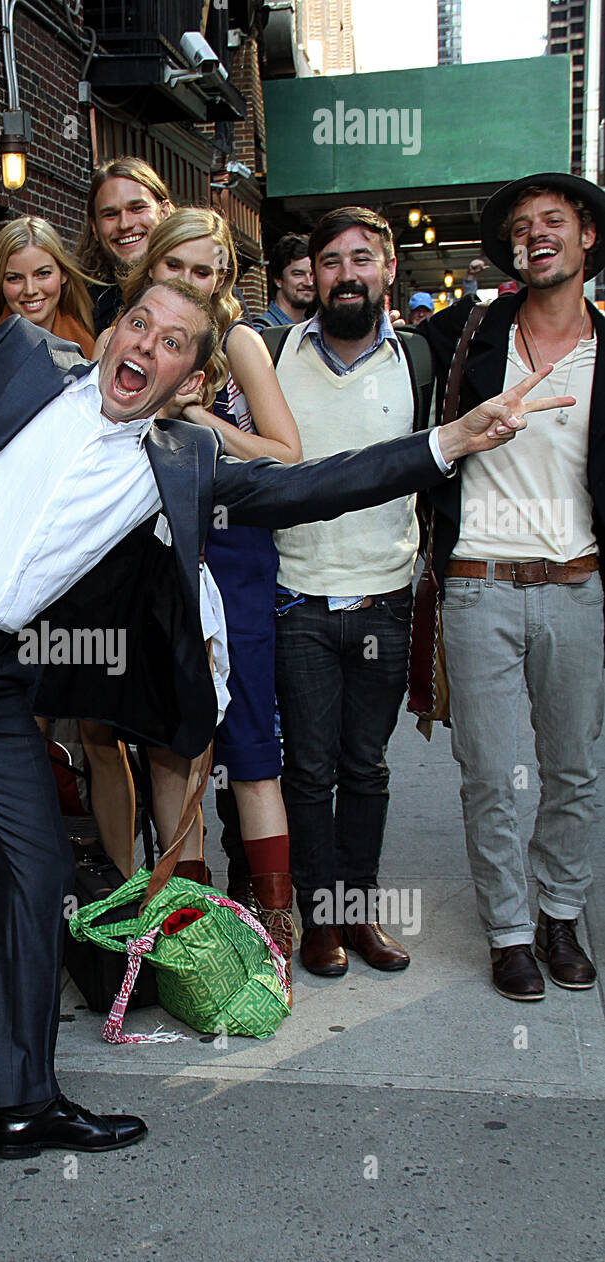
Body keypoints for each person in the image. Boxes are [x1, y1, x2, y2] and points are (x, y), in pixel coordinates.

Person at [0, 217, 570, 1192]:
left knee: (38, 865)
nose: (147, 347)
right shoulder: (19, 360)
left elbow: (316, 485)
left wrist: (450, 441)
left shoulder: (181, 460)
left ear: (188, 380)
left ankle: (22, 1100)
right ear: (114, 326)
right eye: (140, 323)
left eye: (174, 344)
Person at [91, 209, 302, 966]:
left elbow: (285, 454)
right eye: (173, 266)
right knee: (169, 745)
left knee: (247, 743)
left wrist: (201, 418)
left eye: (204, 270)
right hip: (151, 553)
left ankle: (276, 927)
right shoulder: (124, 336)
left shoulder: (237, 342)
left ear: (224, 281)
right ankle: (188, 935)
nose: (187, 280)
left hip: (234, 553)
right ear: (150, 268)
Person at [418, 172, 605, 1001]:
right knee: (491, 772)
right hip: (478, 584)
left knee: (573, 769)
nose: (536, 234)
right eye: (522, 226)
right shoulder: (467, 333)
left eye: (552, 221)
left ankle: (560, 910)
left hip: (577, 584)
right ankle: (510, 930)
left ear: (585, 238)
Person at [261, 207, 438, 979]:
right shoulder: (270, 356)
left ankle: (356, 915)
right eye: (330, 261)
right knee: (307, 772)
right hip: (296, 598)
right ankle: (317, 925)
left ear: (388, 270)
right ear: (313, 274)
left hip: (384, 601)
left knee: (364, 769)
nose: (345, 273)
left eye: (361, 258)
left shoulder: (422, 363)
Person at [74, 157, 173, 335]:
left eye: (137, 208)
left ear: (164, 212)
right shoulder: (80, 306)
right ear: (95, 228)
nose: (124, 224)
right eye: (110, 214)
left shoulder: (202, 283)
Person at [0, 216, 95, 353]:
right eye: (14, 278)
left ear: (63, 274)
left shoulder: (88, 349)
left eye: (43, 274)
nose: (30, 290)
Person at [252, 233, 315, 331]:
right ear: (278, 279)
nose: (309, 282)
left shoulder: (312, 331)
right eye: (298, 274)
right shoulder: (261, 332)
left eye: (312, 274)